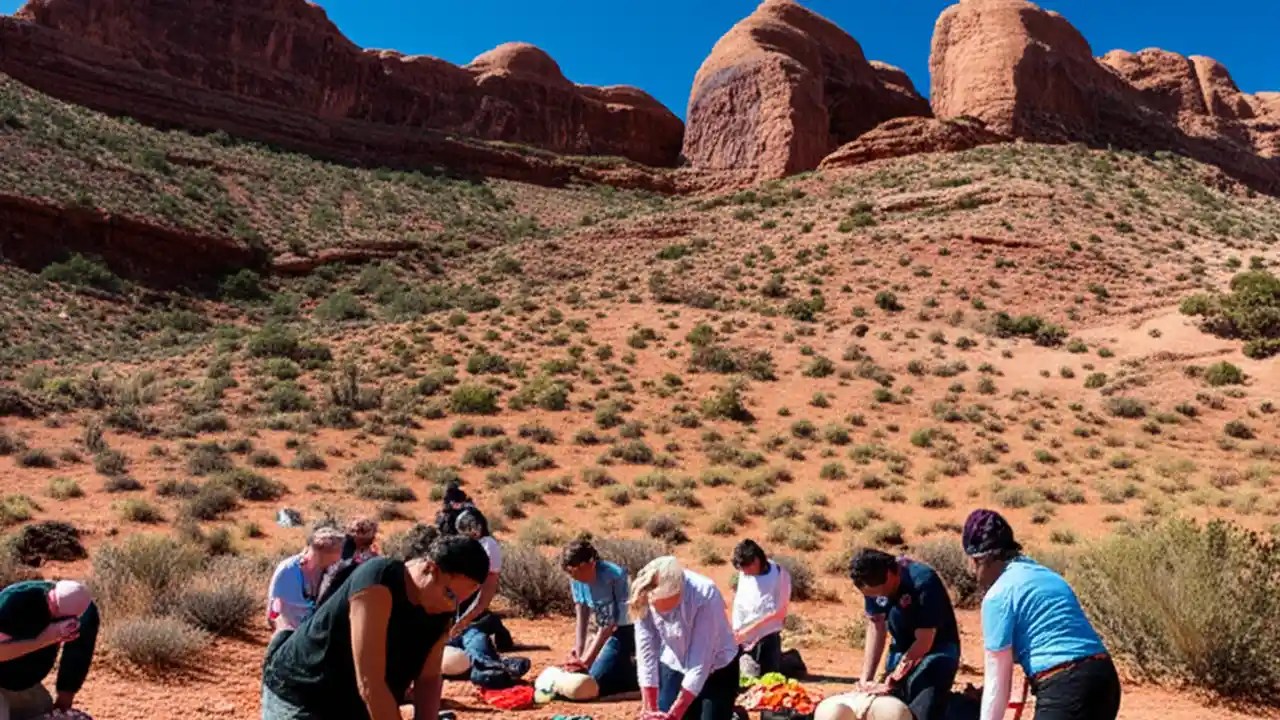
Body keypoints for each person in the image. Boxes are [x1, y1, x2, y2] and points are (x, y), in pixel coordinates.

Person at [261, 535, 491, 720]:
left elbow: (428, 678)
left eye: (459, 601)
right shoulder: (378, 583)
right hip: (302, 692)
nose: (449, 605)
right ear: (430, 569)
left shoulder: (442, 607)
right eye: (448, 593)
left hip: (353, 705)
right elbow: (371, 683)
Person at [963, 510, 1120, 720]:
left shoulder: (998, 596)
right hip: (1104, 679)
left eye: (974, 563)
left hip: (1066, 686)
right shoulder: (1046, 575)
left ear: (984, 559)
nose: (974, 574)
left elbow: (997, 680)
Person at [850, 548, 961, 720]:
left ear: (890, 575)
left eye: (880, 593)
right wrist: (867, 679)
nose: (878, 598)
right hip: (901, 650)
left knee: (921, 711)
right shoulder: (872, 581)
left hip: (937, 651)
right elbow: (877, 625)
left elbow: (925, 640)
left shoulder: (923, 581)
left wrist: (895, 677)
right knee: (885, 708)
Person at [631, 556, 740, 720]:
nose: (666, 617)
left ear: (680, 591)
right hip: (675, 661)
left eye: (670, 610)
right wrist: (650, 708)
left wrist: (675, 715)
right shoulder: (643, 594)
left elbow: (700, 664)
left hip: (717, 666)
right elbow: (646, 651)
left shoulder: (705, 594)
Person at [551, 535, 638, 700]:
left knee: (594, 682)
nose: (573, 578)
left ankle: (636, 671)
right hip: (602, 629)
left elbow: (609, 626)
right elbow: (582, 613)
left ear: (589, 564)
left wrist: (585, 662)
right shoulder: (577, 575)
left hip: (625, 630)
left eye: (574, 572)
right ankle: (620, 665)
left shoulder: (610, 577)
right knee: (585, 675)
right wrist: (579, 651)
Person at [449, 508, 528, 688]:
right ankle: (494, 666)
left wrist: (461, 623)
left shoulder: (487, 546)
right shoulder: (463, 550)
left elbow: (483, 598)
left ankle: (496, 668)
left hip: (468, 622)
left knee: (475, 638)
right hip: (452, 623)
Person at [0, 579, 99, 720]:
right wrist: (48, 637)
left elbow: (79, 652)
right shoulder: (14, 602)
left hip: (21, 683)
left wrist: (66, 694)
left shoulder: (81, 610)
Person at [266, 525, 346, 632]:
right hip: (290, 636)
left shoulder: (331, 571)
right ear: (319, 555)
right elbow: (272, 615)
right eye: (333, 560)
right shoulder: (287, 572)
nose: (336, 563)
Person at [731, 539, 791, 677]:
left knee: (769, 677)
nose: (744, 573)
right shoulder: (744, 573)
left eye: (746, 568)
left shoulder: (780, 575)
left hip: (766, 637)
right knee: (745, 676)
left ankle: (790, 660)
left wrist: (748, 631)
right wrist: (737, 631)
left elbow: (779, 612)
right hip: (741, 638)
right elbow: (740, 601)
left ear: (756, 561)